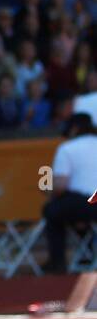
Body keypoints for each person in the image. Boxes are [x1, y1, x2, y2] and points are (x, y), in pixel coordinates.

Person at [42, 113, 97, 273]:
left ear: (74, 129)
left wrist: (46, 188)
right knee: (74, 211)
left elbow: (60, 186)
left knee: (52, 210)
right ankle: (85, 256)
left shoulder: (67, 148)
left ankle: (57, 262)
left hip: (84, 202)